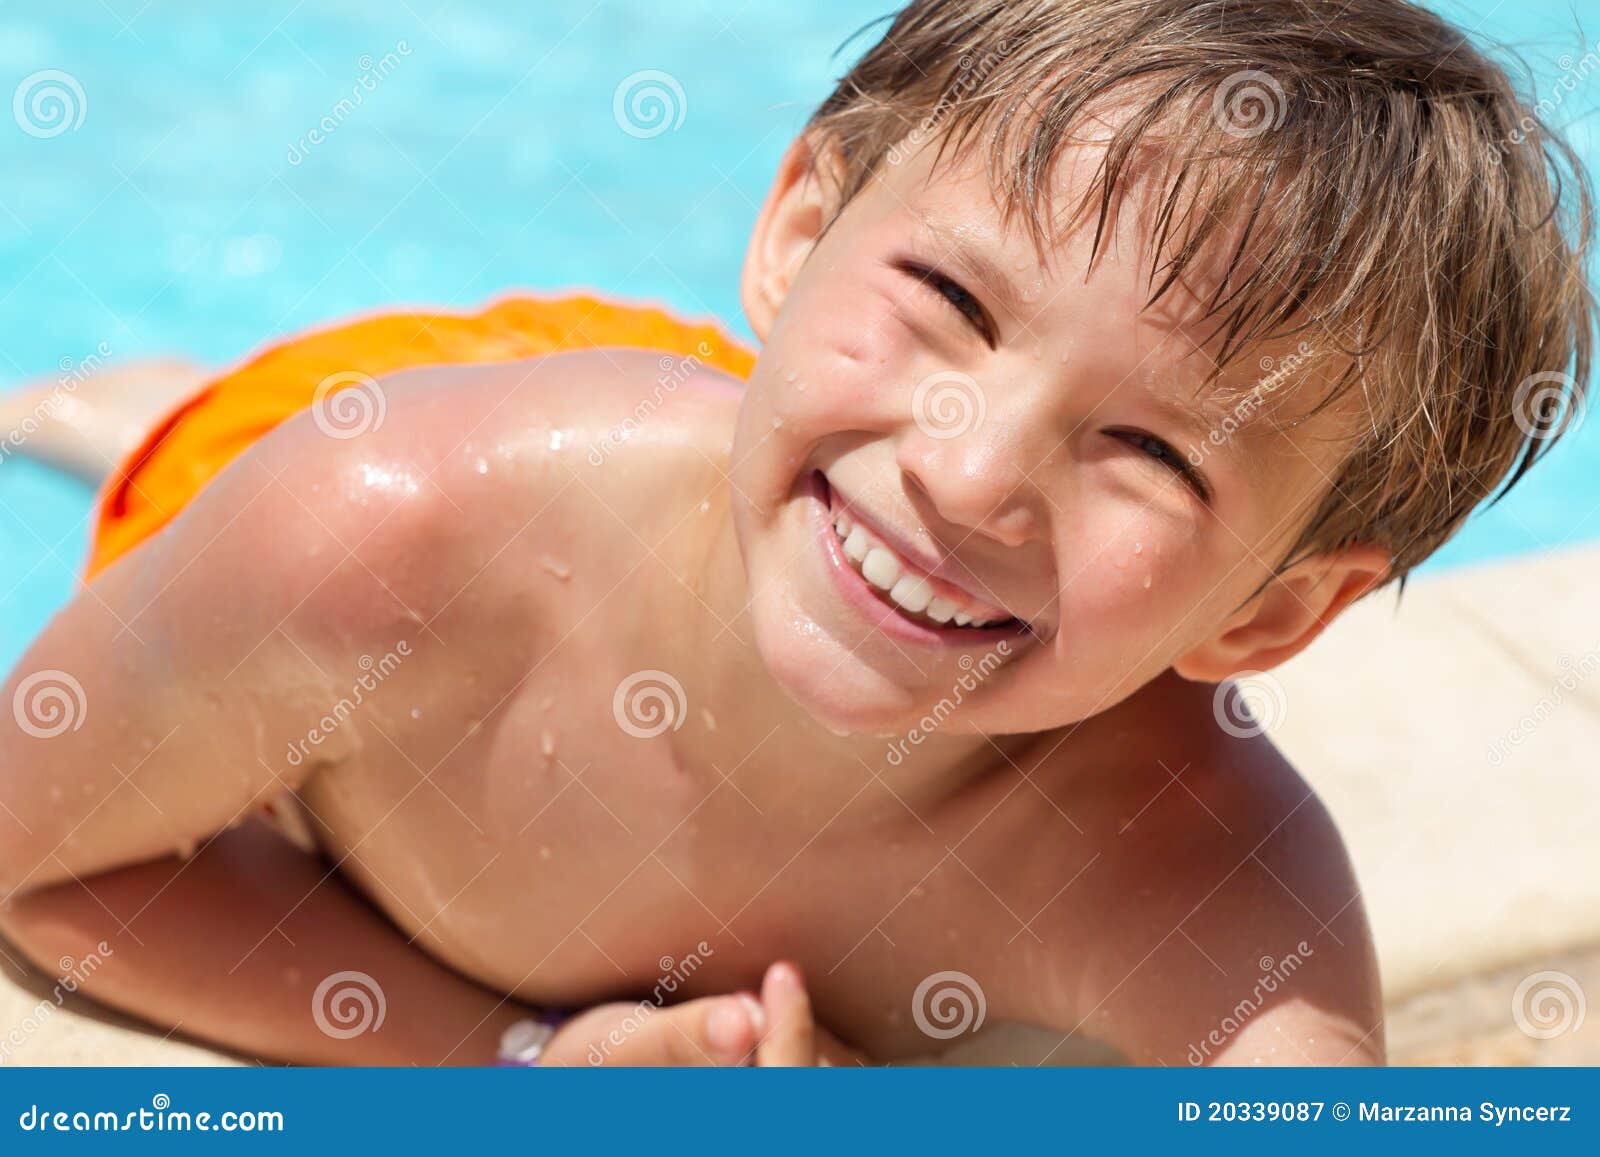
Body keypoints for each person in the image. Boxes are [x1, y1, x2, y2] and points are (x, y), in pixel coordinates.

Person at [0, 0, 1589, 1066]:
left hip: (780, 450)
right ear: (797, 231)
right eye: (953, 300)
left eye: (1152, 452)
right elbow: (35, 871)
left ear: (1269, 612)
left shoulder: (1193, 877)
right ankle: (147, 405)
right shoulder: (374, 540)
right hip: (395, 423)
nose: (975, 479)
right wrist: (521, 1063)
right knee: (215, 439)